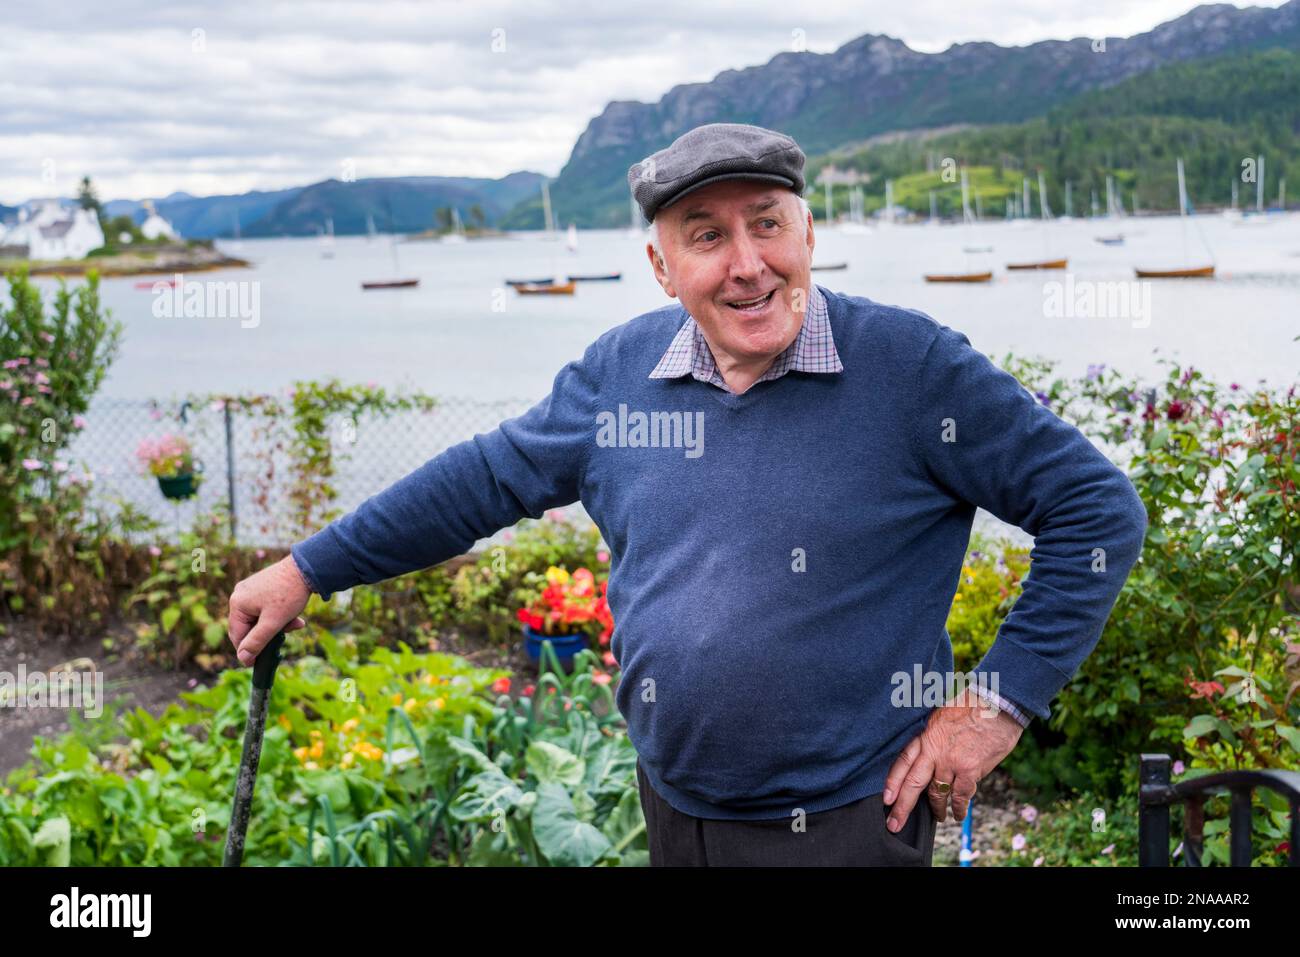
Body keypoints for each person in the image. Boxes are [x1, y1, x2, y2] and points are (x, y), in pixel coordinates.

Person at [227, 122, 1148, 866]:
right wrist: (311, 567)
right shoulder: (618, 373)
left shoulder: (912, 369)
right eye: (707, 235)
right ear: (663, 267)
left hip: (843, 823)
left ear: (808, 232)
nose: (747, 262)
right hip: (673, 810)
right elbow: (482, 479)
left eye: (767, 223)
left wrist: (994, 707)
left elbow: (1097, 512)